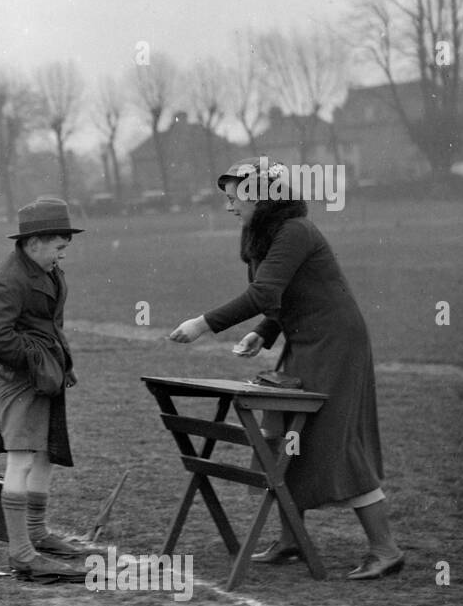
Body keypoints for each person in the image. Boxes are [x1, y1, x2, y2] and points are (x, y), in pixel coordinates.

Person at [168, 158, 404, 581]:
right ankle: (292, 538)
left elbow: (263, 291)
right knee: (280, 434)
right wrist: (265, 332)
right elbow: (278, 296)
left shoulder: (295, 231)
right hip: (303, 341)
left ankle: (385, 549)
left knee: (335, 440)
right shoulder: (262, 233)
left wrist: (204, 324)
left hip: (335, 344)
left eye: (234, 197)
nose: (228, 206)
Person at [0, 197, 89, 580]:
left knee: (44, 455)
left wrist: (63, 363)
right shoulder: (8, 279)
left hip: (43, 377)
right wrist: (36, 360)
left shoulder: (49, 270)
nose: (62, 255)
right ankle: (21, 553)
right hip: (15, 379)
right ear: (34, 242)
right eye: (58, 247)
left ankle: (38, 533)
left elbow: (51, 327)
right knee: (22, 459)